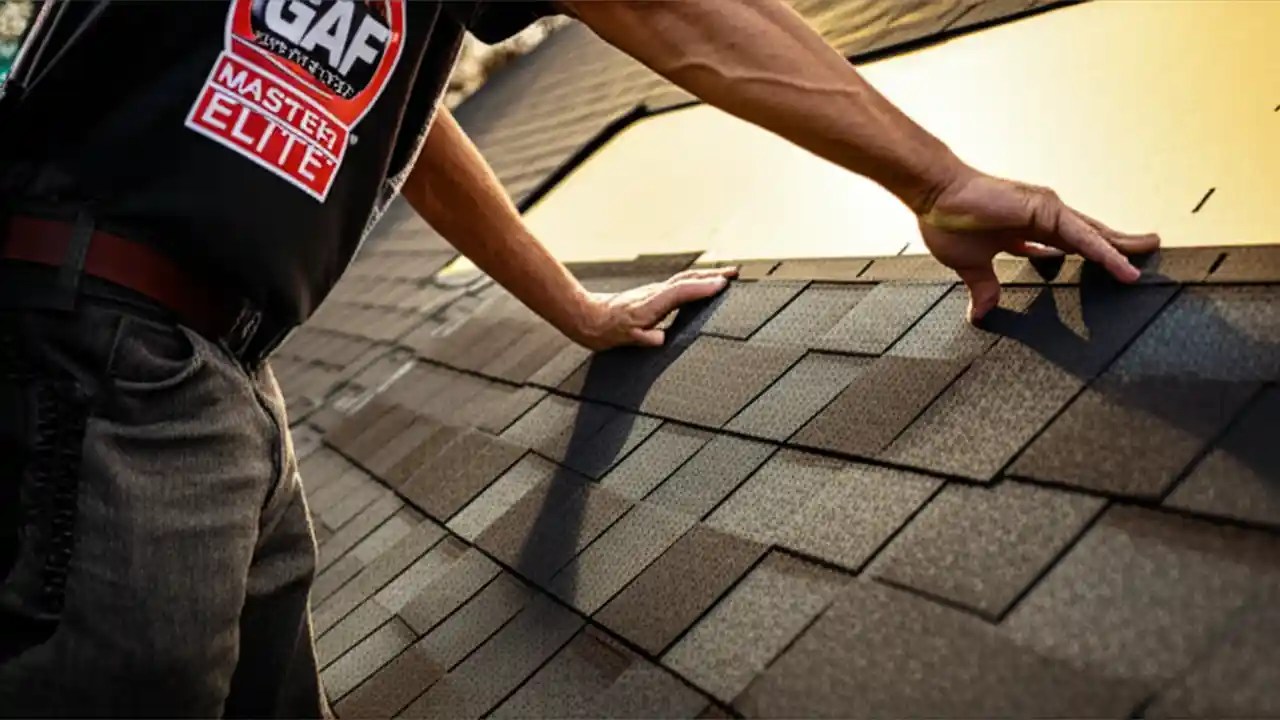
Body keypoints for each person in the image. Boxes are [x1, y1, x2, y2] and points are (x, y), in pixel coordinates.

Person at [0, 0, 1160, 716]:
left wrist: (570, 309)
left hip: (213, 375)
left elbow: (395, 111)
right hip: (93, 346)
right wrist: (935, 177)